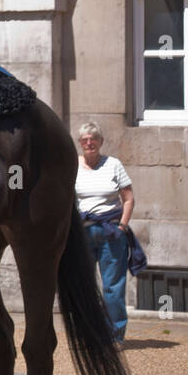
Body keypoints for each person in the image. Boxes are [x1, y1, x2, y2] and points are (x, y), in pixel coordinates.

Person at [75, 122, 136, 343]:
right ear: (80, 144)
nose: (89, 143)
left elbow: (128, 198)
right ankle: (88, 334)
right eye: (85, 140)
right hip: (83, 233)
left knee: (113, 287)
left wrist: (122, 226)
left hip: (111, 231)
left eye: (93, 139)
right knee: (84, 286)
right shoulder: (73, 166)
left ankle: (115, 337)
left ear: (101, 142)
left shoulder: (113, 164)